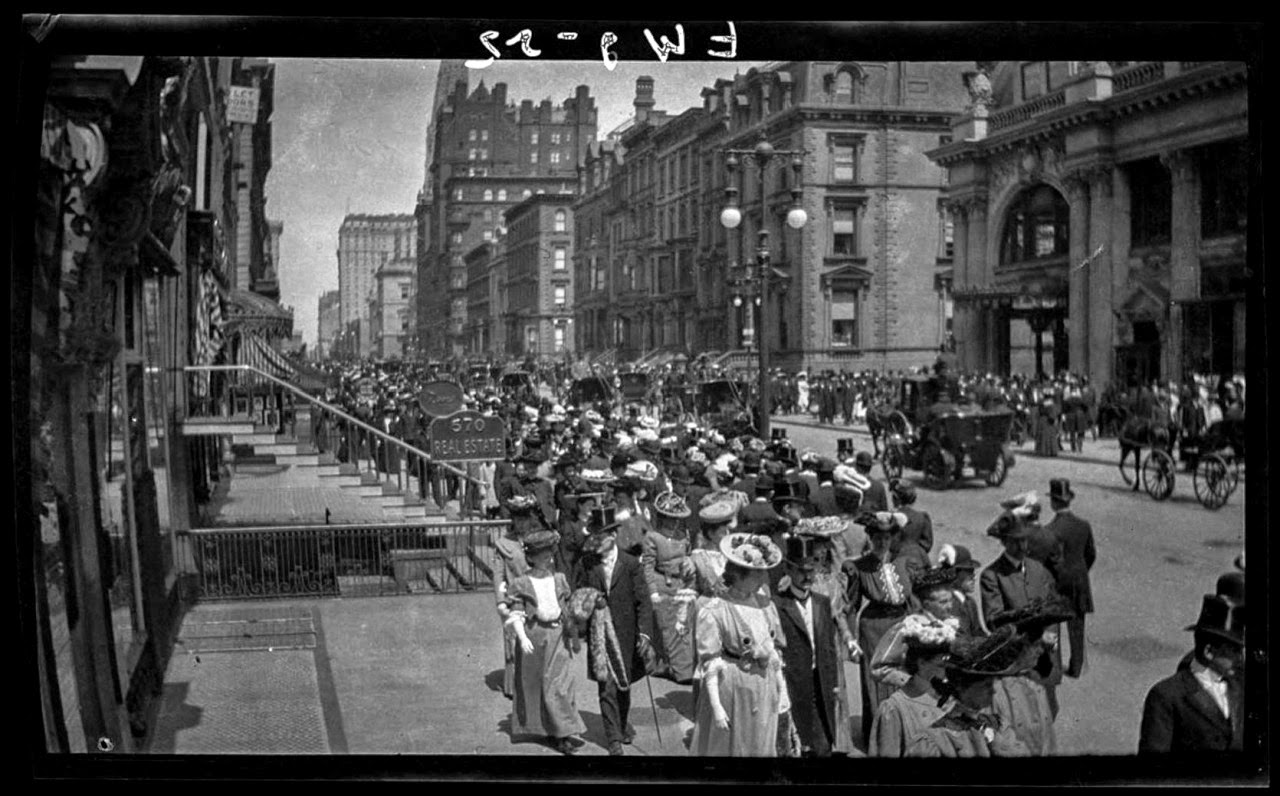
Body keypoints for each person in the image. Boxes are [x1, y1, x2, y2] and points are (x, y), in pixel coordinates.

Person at [690, 532, 791, 757]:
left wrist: (782, 694)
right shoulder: (715, 609)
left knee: (761, 743)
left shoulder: (766, 605)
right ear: (740, 576)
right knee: (731, 746)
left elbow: (774, 655)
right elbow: (710, 663)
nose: (764, 580)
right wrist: (716, 708)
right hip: (733, 685)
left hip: (764, 685)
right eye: (758, 575)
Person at [572, 505, 655, 756]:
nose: (598, 540)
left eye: (604, 535)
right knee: (606, 685)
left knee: (623, 684)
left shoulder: (630, 564)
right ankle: (613, 739)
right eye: (595, 535)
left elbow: (643, 602)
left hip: (626, 634)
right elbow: (578, 594)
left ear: (614, 536)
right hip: (599, 633)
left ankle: (620, 724)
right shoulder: (588, 564)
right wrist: (590, 601)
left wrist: (644, 635)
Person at [980, 506, 1064, 745]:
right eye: (1016, 542)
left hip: (1045, 662)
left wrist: (1049, 634)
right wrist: (1033, 636)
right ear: (1004, 542)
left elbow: (1053, 607)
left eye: (1025, 541)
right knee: (1020, 720)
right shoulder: (992, 576)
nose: (1023, 547)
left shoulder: (1039, 569)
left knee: (1048, 712)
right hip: (1017, 663)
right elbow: (994, 620)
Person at [503, 530, 587, 755]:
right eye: (543, 555)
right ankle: (555, 731)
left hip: (558, 635)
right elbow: (517, 612)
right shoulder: (523, 582)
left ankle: (563, 732)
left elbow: (568, 607)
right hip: (534, 634)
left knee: (560, 684)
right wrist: (521, 637)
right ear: (532, 558)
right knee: (541, 685)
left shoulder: (558, 578)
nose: (548, 559)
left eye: (550, 554)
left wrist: (575, 627)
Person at [1139, 590, 1245, 753]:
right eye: (1233, 650)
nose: (1240, 657)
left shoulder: (1238, 687)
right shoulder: (1166, 696)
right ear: (1209, 651)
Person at [844, 511, 915, 744]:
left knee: (904, 676)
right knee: (877, 680)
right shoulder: (860, 567)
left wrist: (919, 623)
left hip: (902, 625)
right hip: (874, 628)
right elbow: (851, 605)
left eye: (887, 538)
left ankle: (904, 732)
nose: (883, 542)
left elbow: (913, 599)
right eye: (878, 537)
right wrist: (850, 638)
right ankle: (881, 737)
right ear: (870, 538)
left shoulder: (903, 563)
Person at [774, 534, 842, 757]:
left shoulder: (821, 602)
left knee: (823, 744)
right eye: (802, 571)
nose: (807, 576)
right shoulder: (779, 605)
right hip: (794, 683)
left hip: (821, 682)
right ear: (789, 570)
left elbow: (829, 648)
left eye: (811, 570)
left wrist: (834, 683)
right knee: (798, 743)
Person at [867, 609, 961, 757]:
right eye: (941, 666)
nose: (946, 672)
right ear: (922, 663)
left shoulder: (949, 700)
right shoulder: (893, 709)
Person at [870, 565, 963, 694]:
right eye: (943, 602)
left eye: (951, 600)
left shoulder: (950, 626)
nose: (950, 606)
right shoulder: (908, 628)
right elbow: (879, 668)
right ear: (927, 604)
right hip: (917, 698)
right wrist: (913, 683)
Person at [642, 491, 697, 684]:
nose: (674, 524)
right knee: (668, 629)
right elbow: (648, 566)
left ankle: (682, 666)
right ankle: (682, 672)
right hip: (662, 584)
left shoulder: (684, 535)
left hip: (682, 584)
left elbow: (689, 556)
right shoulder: (652, 537)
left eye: (677, 520)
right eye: (670, 519)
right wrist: (652, 590)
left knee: (684, 627)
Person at [1044, 479, 1096, 679]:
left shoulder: (1051, 530)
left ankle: (1055, 667)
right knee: (1077, 626)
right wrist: (1081, 572)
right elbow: (1091, 554)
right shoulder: (1083, 525)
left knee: (1054, 624)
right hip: (1080, 582)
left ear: (1053, 503)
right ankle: (1076, 667)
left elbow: (1050, 561)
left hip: (1059, 584)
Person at [937, 545, 986, 638]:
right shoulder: (947, 603)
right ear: (954, 573)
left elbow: (978, 632)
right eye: (969, 572)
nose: (974, 577)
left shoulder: (970, 602)